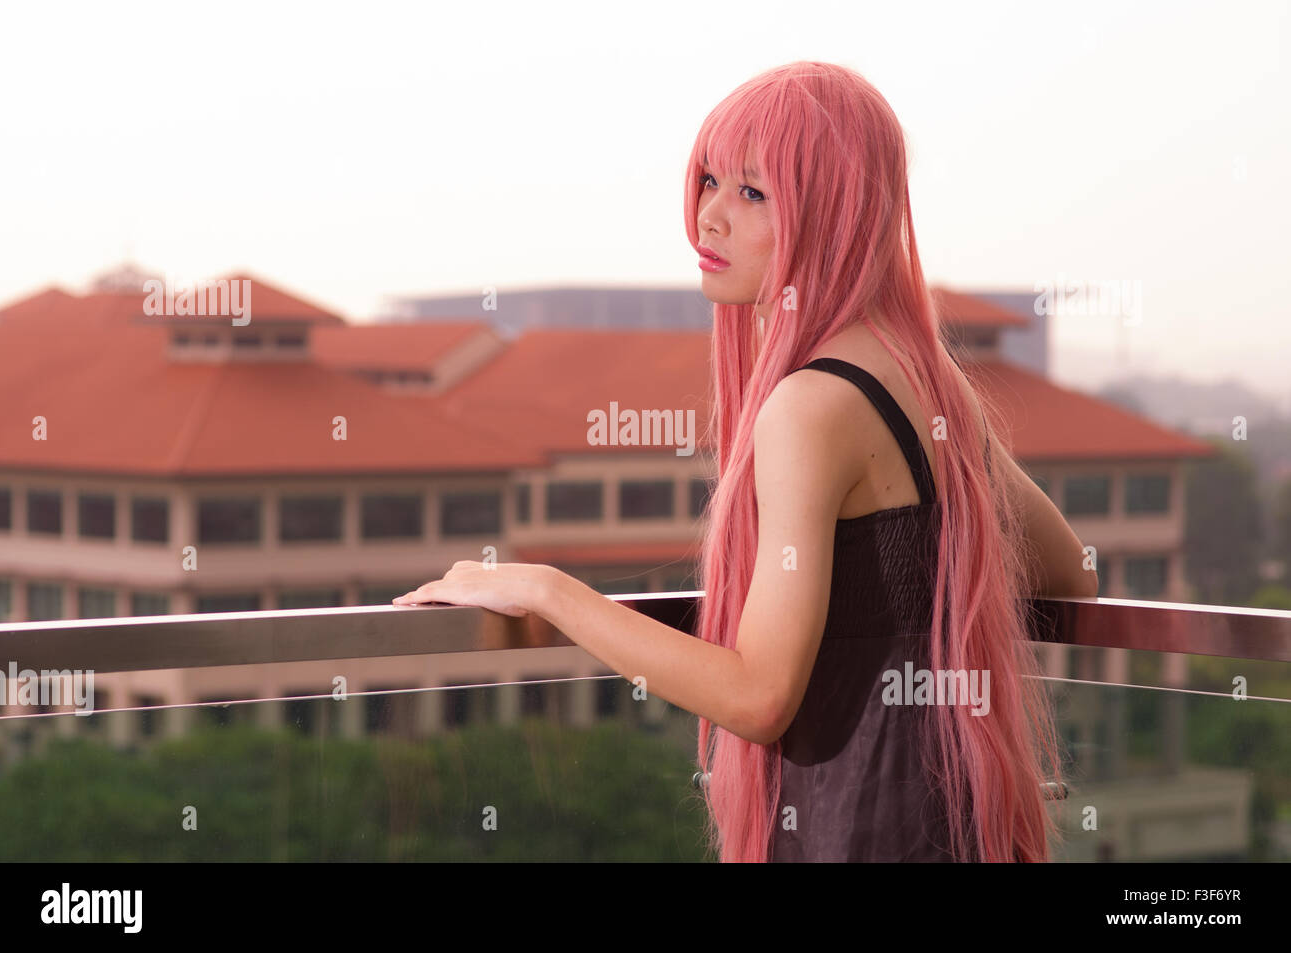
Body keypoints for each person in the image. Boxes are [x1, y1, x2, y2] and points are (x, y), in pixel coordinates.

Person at [393, 60, 1097, 862]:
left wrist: (547, 590)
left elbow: (759, 697)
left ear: (833, 214)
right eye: (709, 181)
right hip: (953, 823)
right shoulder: (925, 378)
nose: (709, 218)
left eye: (753, 193)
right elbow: (1071, 574)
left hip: (861, 833)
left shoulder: (809, 405)